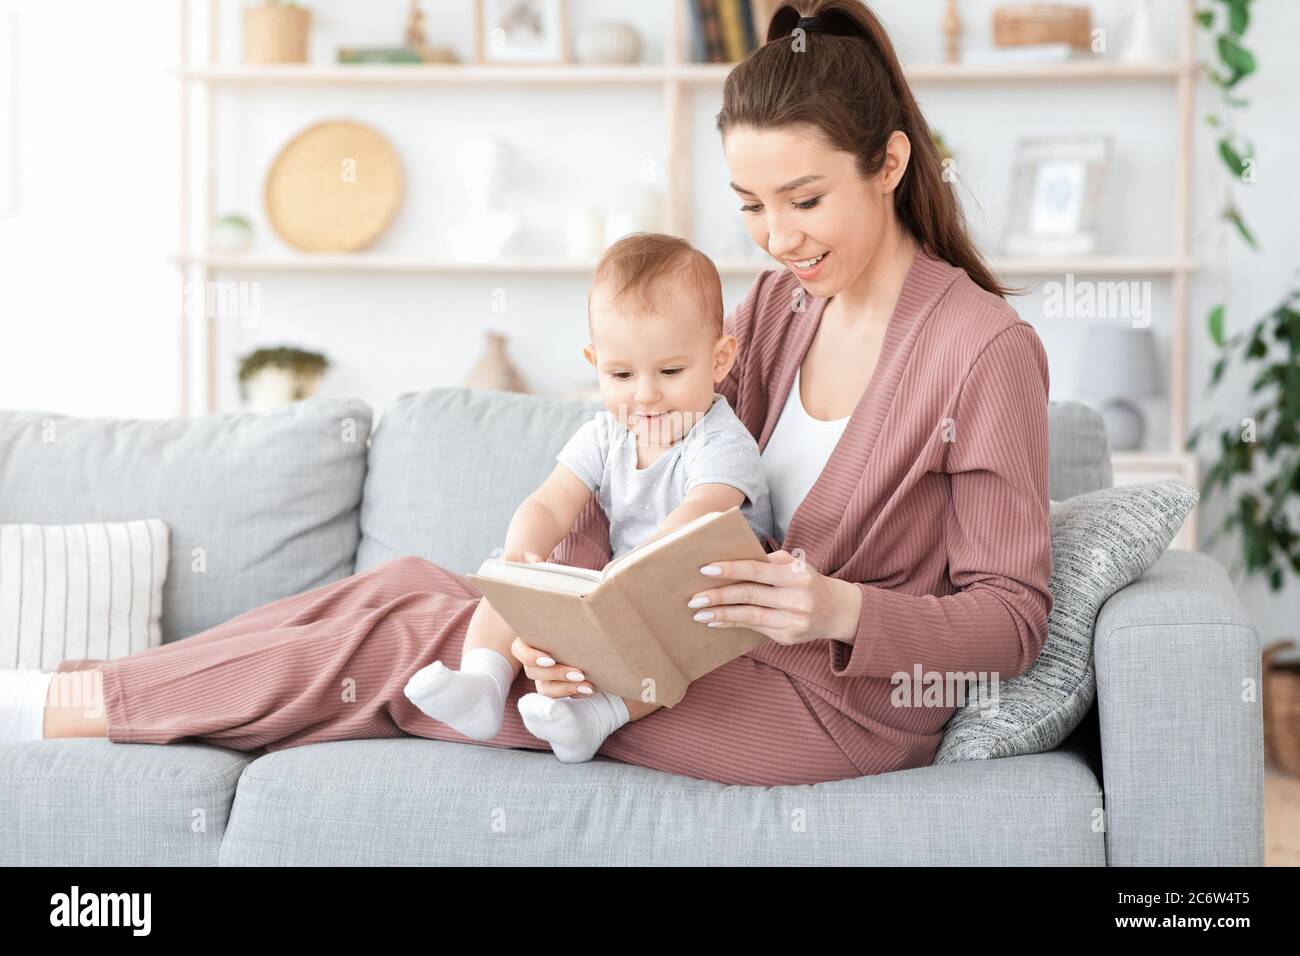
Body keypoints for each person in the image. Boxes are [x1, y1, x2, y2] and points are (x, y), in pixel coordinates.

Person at [2, 0, 1052, 788]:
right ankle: (99, 684)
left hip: (833, 705)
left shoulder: (981, 348)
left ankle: (70, 700)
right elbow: (653, 451)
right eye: (749, 206)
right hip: (693, 649)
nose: (777, 238)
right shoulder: (779, 306)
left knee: (413, 633)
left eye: (805, 199)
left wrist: (839, 606)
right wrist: (570, 613)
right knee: (413, 583)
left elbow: (1010, 617)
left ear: (890, 163)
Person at [402, 231, 775, 763]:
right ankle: (482, 682)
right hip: (614, 587)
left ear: (719, 360)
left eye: (670, 371)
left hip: (696, 593)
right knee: (514, 581)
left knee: (671, 646)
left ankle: (595, 717)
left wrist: (632, 578)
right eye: (621, 374)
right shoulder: (605, 434)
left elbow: (703, 510)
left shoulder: (719, 439)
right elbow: (551, 503)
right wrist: (522, 558)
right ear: (594, 361)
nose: (645, 394)